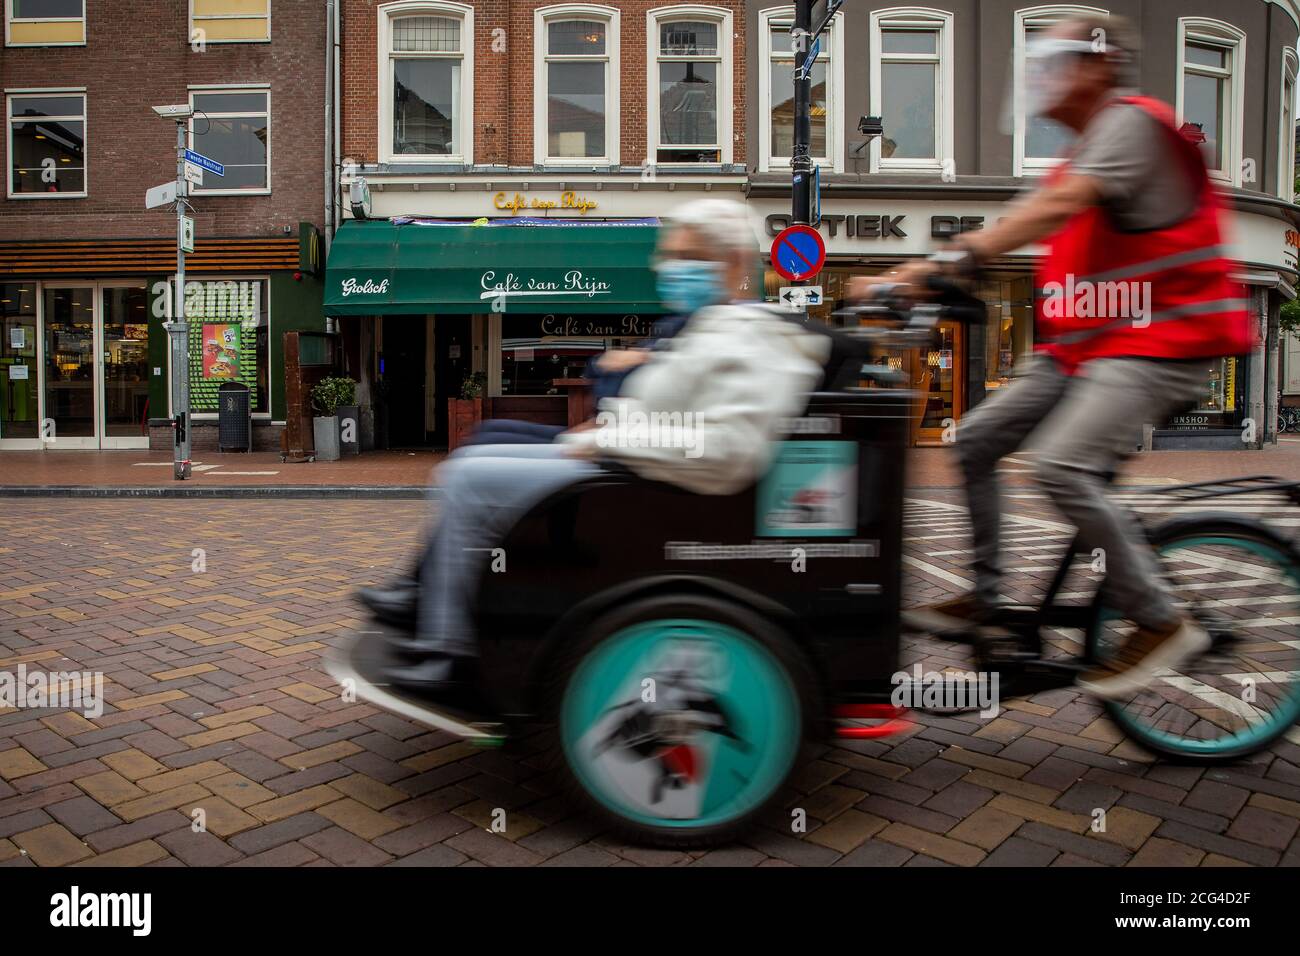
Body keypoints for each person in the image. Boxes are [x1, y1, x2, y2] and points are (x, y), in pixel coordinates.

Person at [853, 13, 1254, 700]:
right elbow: (1028, 223)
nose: (1042, 77)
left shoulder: (1129, 126)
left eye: (1057, 60)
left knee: (1058, 465)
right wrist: (919, 280)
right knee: (974, 438)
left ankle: (1162, 620)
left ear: (1099, 64)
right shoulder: (1080, 154)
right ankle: (984, 599)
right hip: (1086, 351)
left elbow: (1049, 210)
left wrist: (957, 258)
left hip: (1162, 342)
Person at [386, 198, 830, 701]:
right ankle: (457, 618)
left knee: (469, 478)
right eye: (671, 257)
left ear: (729, 264)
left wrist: (607, 437)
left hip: (641, 484)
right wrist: (606, 428)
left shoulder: (753, 338)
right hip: (629, 469)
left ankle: (453, 650)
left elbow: (729, 449)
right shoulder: (716, 328)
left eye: (687, 257)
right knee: (470, 463)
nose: (670, 269)